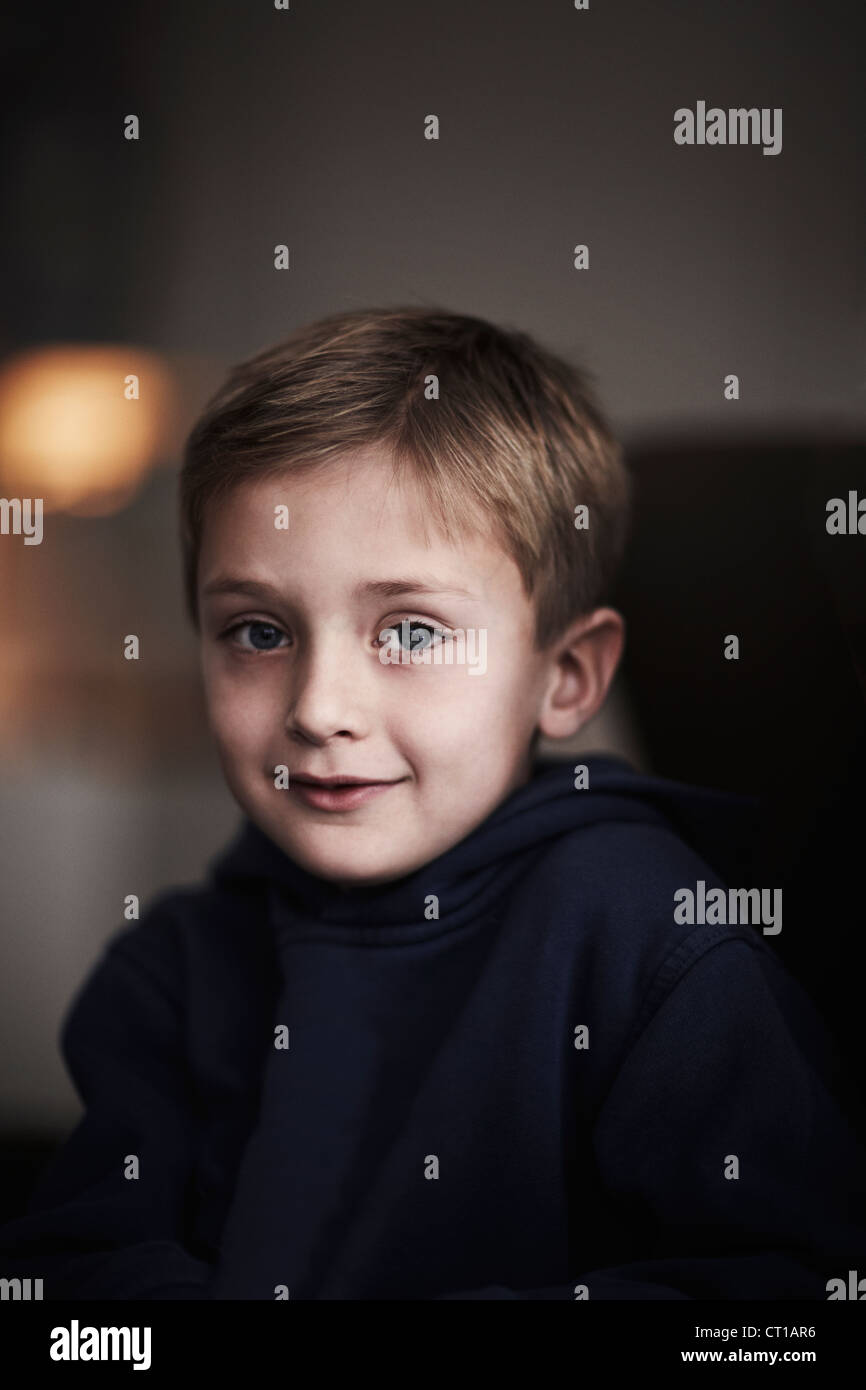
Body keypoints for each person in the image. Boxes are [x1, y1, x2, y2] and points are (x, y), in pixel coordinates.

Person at [2, 306, 864, 1300]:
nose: (320, 709)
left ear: (567, 675)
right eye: (257, 631)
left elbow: (788, 1294)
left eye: (409, 633)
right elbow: (72, 1278)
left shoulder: (641, 931)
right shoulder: (176, 968)